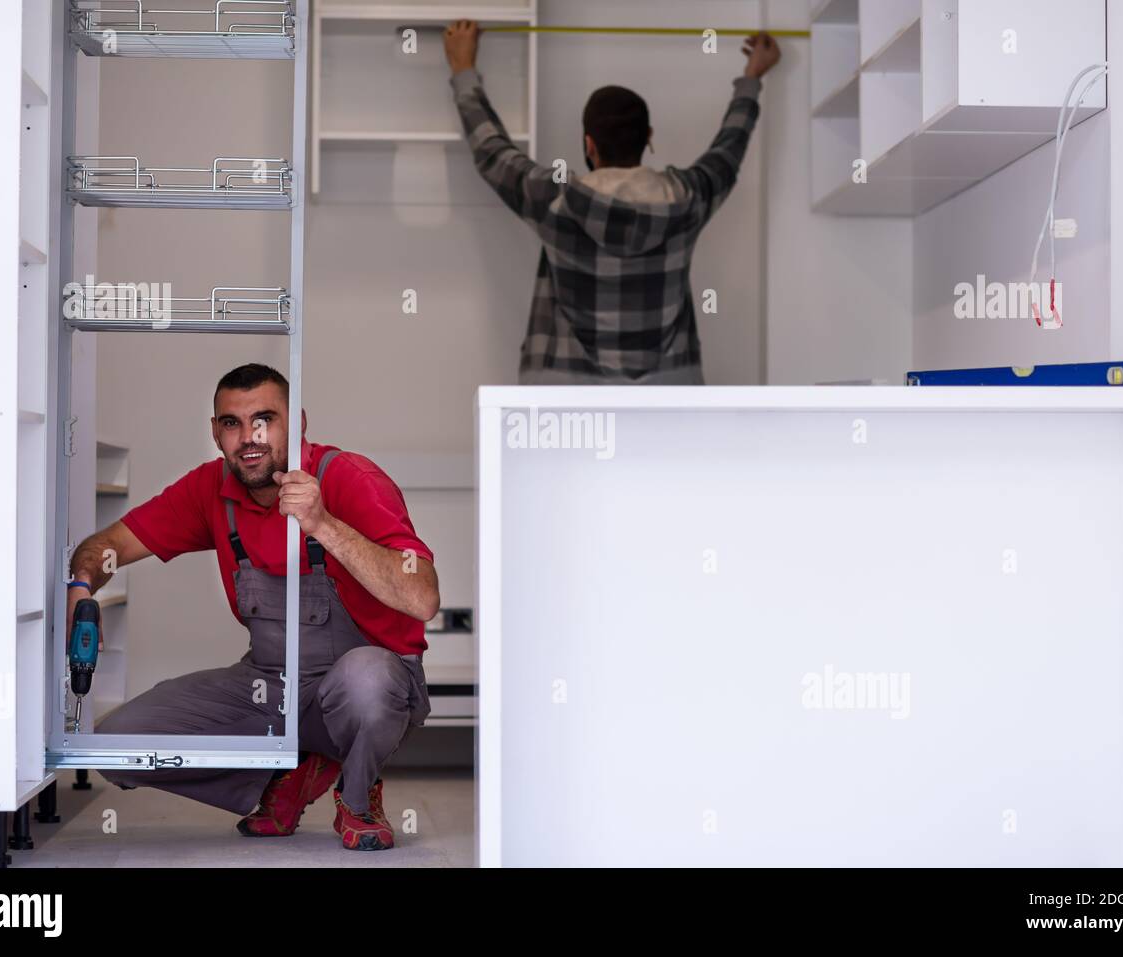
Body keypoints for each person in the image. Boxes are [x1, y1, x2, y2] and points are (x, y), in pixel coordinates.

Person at [67, 363, 440, 851]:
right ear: (215, 432)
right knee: (117, 745)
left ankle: (357, 795)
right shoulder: (211, 490)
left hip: (370, 689)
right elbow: (107, 546)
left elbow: (424, 597)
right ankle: (284, 783)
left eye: (265, 419)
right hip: (273, 685)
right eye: (232, 423)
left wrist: (322, 523)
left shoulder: (348, 478)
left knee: (366, 679)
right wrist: (81, 585)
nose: (249, 437)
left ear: (297, 422)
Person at [444, 19, 780, 384]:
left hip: (567, 405)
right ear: (648, 137)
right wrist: (752, 77)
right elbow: (728, 150)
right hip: (666, 402)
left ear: (589, 144)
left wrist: (463, 69)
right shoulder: (689, 198)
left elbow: (491, 151)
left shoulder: (555, 201)